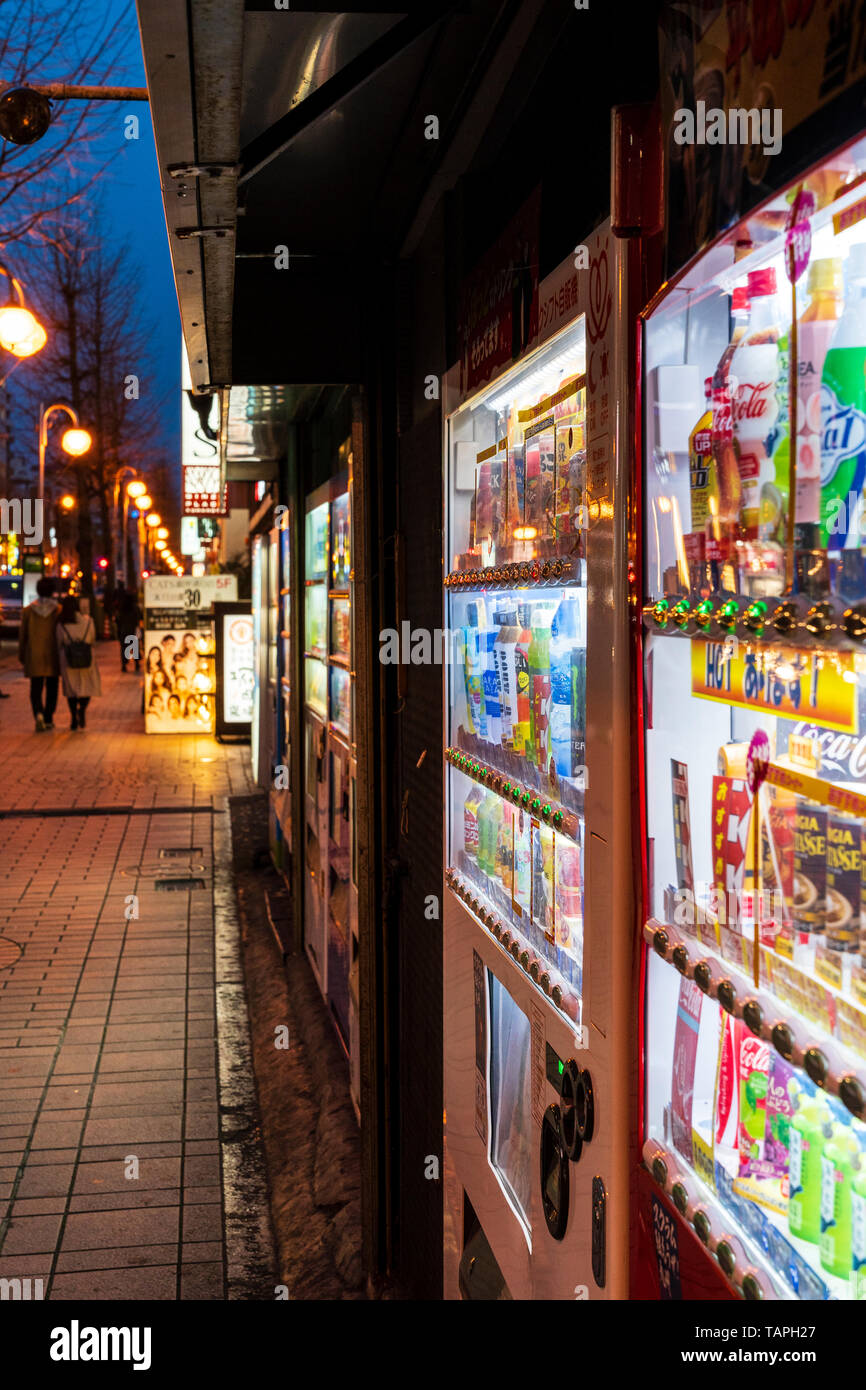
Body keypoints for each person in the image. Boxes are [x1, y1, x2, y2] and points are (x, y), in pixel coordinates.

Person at [18, 577, 60, 731]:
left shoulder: (28, 610)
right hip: (53, 654)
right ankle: (48, 717)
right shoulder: (58, 610)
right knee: (52, 687)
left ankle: (38, 714)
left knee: (35, 687)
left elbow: (23, 635)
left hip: (34, 654)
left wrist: (22, 654)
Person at [56, 594, 102, 731]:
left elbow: (59, 642)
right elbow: (93, 639)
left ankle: (73, 718)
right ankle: (82, 710)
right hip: (86, 657)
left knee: (71, 690)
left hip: (68, 659)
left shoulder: (61, 623)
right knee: (86, 687)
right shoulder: (88, 621)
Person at [114, 583, 142, 673]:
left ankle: (124, 665)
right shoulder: (135, 608)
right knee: (134, 648)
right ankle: (136, 664)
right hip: (132, 630)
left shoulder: (122, 609)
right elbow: (139, 617)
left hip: (123, 631)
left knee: (124, 648)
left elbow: (118, 619)